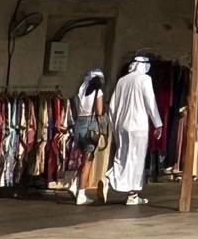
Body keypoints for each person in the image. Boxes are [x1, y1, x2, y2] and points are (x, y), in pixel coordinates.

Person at [106, 54, 163, 206]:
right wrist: (158, 124)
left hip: (122, 126)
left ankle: (113, 180)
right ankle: (131, 193)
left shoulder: (121, 81)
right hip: (138, 126)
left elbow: (112, 106)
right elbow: (150, 102)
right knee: (136, 160)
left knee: (122, 156)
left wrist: (115, 125)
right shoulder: (145, 79)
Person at [68, 70, 107, 205]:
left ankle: (75, 184)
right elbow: (99, 111)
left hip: (79, 125)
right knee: (88, 162)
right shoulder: (98, 92)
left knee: (83, 159)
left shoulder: (81, 90)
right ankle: (81, 194)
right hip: (90, 126)